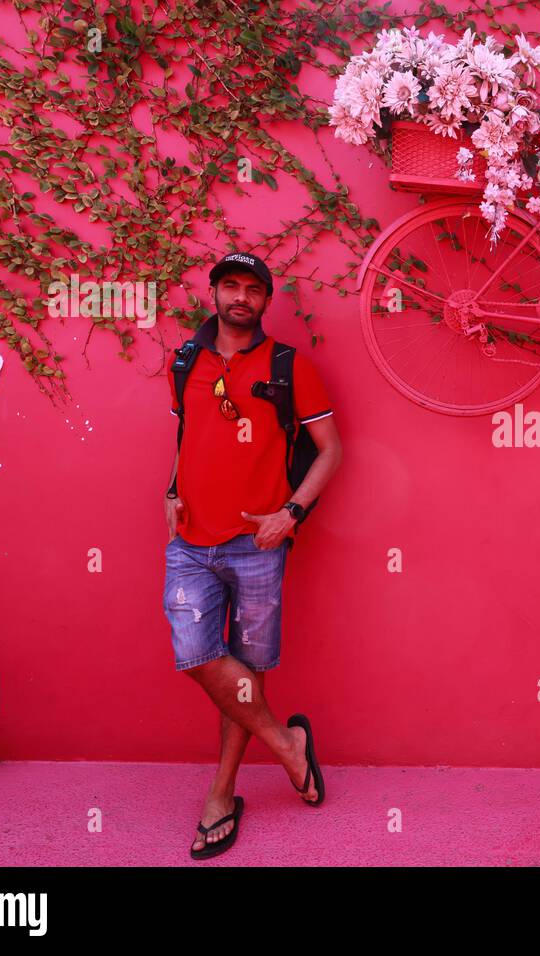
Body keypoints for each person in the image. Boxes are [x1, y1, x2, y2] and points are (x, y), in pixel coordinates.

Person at [162, 252, 343, 858]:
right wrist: (170, 488)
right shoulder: (184, 361)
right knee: (195, 656)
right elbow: (187, 435)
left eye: (254, 290)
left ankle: (220, 793)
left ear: (266, 301)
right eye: (231, 286)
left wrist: (289, 516)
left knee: (246, 665)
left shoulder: (291, 366)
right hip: (190, 542)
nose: (242, 297)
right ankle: (288, 745)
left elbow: (330, 451)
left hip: (257, 544)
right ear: (213, 292)